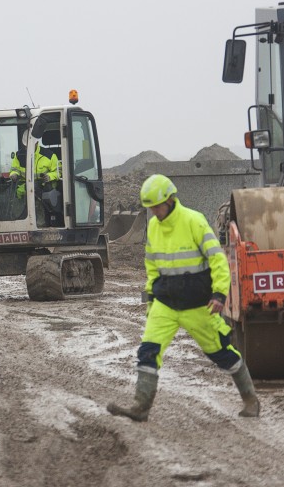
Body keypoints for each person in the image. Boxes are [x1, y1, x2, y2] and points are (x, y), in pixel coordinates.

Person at [107, 174, 260, 422]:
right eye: (150, 208)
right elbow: (152, 266)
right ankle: (140, 406)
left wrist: (220, 293)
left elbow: (218, 260)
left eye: (156, 206)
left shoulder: (194, 221)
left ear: (170, 200)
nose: (154, 212)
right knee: (148, 350)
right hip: (164, 304)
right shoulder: (154, 226)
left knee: (222, 353)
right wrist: (151, 302)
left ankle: (250, 400)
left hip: (198, 305)